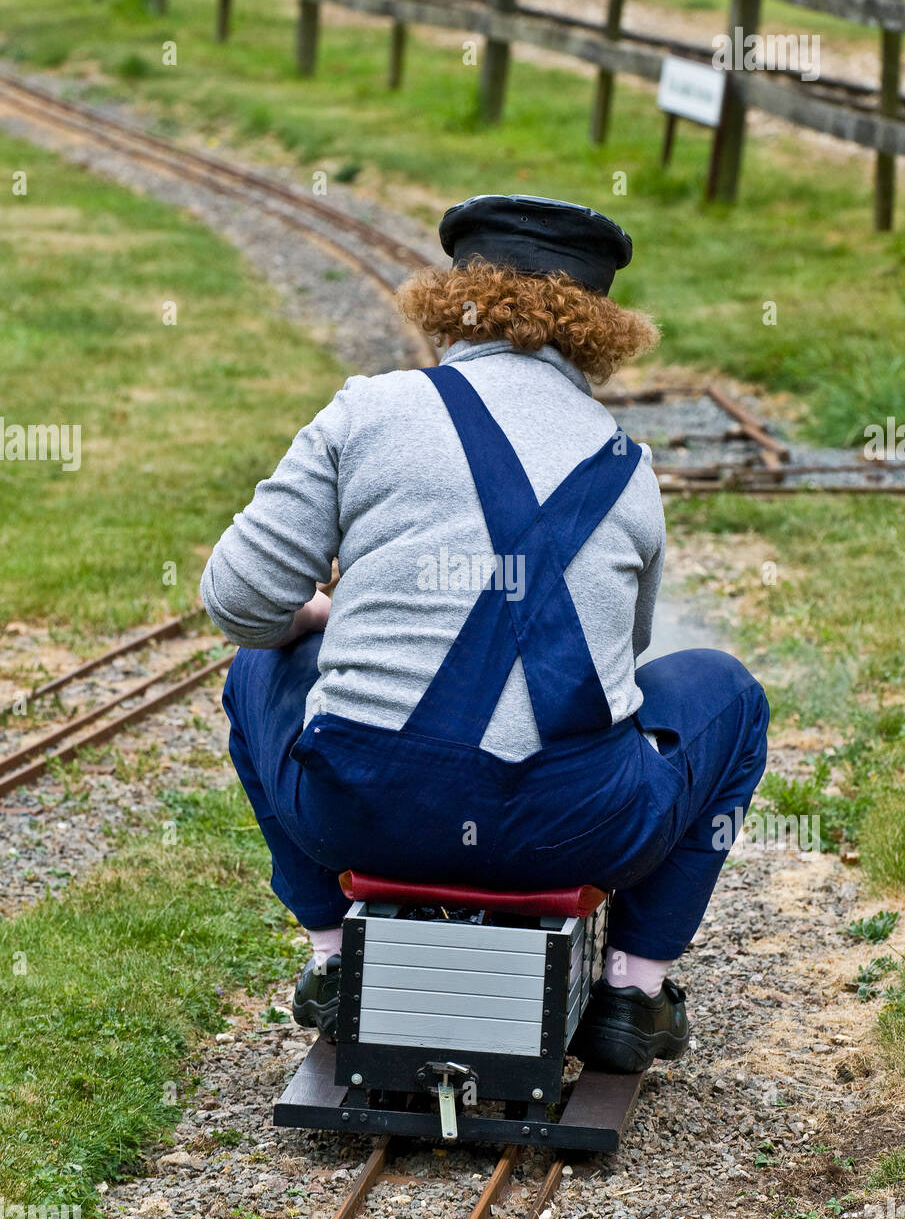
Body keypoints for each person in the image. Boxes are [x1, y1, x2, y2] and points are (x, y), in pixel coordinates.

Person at [201, 194, 769, 1074]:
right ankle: (632, 990)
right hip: (570, 828)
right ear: (600, 328)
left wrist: (323, 618)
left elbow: (239, 600)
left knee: (257, 661)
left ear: (445, 298)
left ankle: (332, 955)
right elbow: (624, 655)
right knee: (727, 693)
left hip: (358, 815)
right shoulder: (626, 467)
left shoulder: (367, 411)